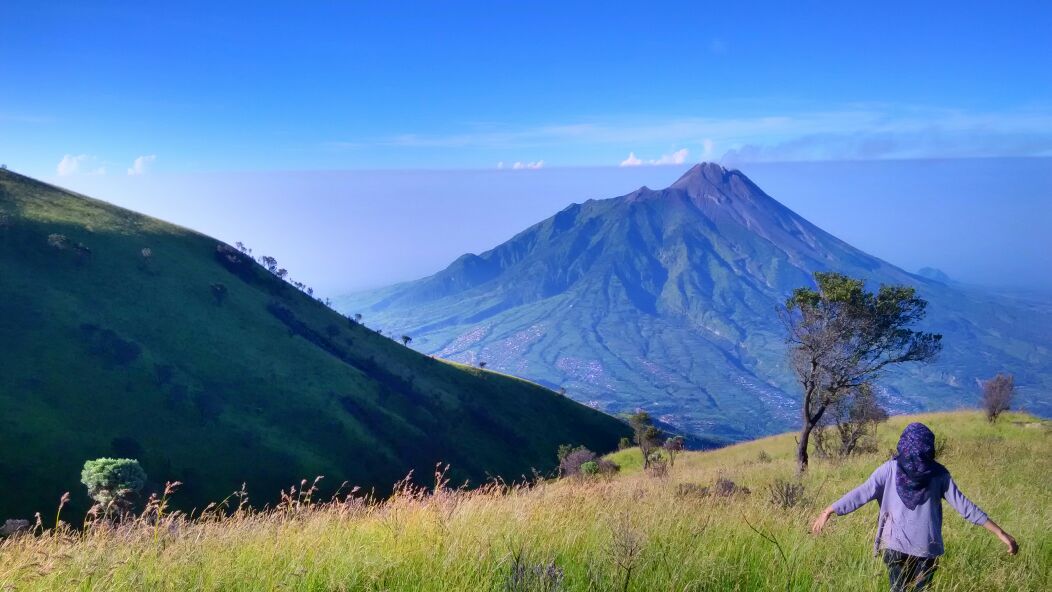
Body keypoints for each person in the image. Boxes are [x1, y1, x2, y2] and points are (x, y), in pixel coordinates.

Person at [810, 422, 1018, 591]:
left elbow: (862, 493)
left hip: (894, 545)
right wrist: (1000, 532)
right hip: (926, 548)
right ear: (930, 448)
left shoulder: (889, 469)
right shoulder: (939, 474)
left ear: (903, 445)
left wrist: (829, 510)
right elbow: (965, 507)